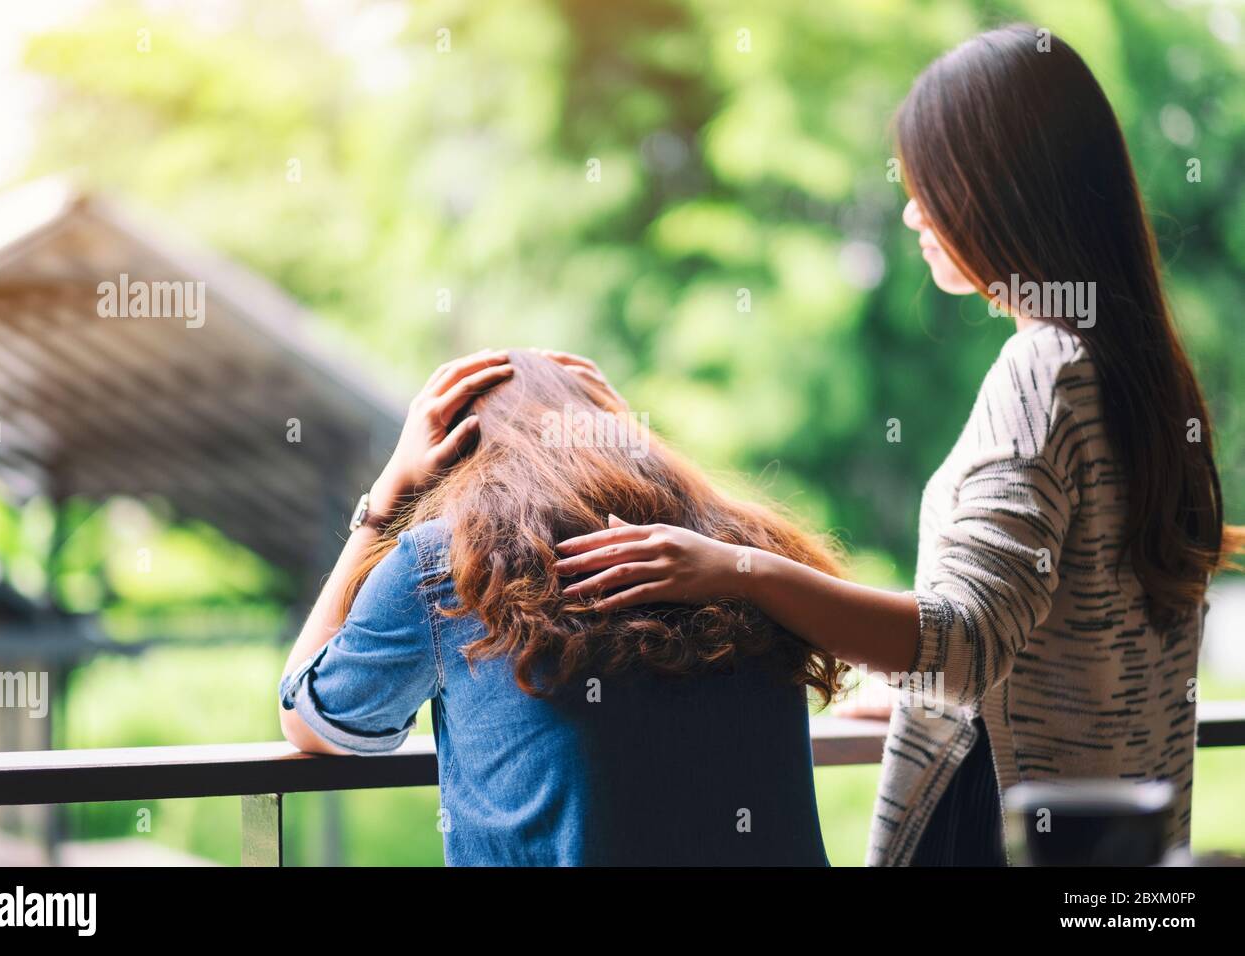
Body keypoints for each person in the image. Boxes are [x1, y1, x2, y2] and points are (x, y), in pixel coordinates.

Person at [554, 25, 1242, 866]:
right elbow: (1051, 639)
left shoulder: (1043, 370)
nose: (915, 211)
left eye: (933, 184)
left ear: (1005, 186)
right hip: (1117, 851)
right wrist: (927, 703)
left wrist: (732, 568)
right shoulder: (1145, 377)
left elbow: (965, 642)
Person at [279, 348, 844, 865]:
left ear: (454, 453)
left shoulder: (451, 562)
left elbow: (311, 716)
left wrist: (383, 503)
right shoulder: (742, 550)